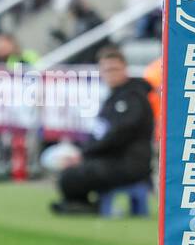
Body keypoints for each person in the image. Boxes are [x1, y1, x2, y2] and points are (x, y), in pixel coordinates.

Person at [51, 47, 154, 215]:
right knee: (67, 172)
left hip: (129, 163)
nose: (111, 74)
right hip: (112, 159)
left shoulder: (133, 98)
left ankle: (85, 206)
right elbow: (102, 133)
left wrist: (85, 155)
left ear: (124, 69)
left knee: (70, 176)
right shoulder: (115, 97)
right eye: (106, 70)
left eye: (115, 69)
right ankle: (79, 204)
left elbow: (119, 135)